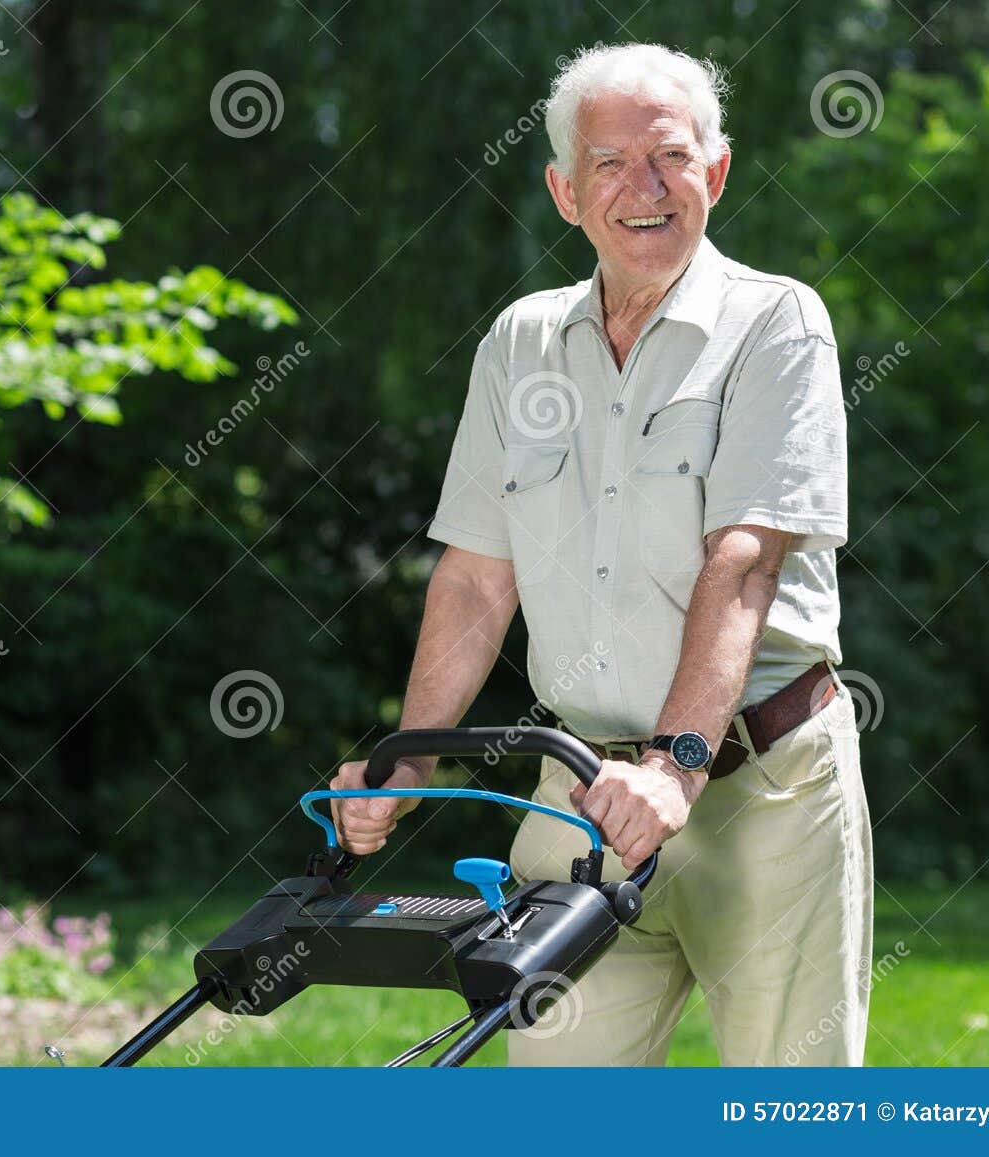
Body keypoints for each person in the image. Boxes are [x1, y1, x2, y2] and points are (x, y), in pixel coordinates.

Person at [331, 42, 872, 1066]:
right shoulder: (519, 342)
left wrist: (674, 765)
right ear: (565, 192)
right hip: (575, 790)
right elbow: (477, 572)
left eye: (670, 157)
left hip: (763, 785)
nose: (644, 187)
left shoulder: (776, 322)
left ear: (715, 173)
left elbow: (746, 556)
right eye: (610, 163)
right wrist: (410, 756)